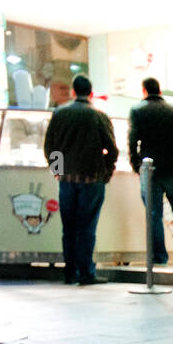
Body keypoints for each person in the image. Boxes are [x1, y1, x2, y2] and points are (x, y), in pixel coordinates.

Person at [43, 75, 118, 285]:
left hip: (66, 180)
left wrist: (58, 171)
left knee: (69, 228)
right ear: (91, 93)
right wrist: (106, 173)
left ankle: (70, 272)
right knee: (87, 228)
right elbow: (112, 149)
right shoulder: (99, 116)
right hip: (92, 180)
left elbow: (50, 146)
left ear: (74, 92)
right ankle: (86, 272)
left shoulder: (60, 114)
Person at [128, 77, 173, 267]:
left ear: (144, 91)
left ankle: (159, 258)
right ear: (160, 91)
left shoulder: (138, 111)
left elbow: (132, 142)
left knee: (154, 215)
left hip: (151, 172)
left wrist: (136, 165)